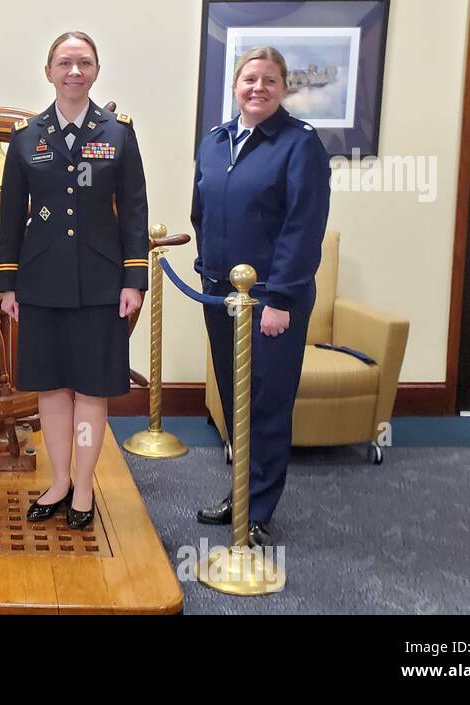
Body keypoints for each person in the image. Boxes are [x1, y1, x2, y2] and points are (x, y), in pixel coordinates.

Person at [0, 32, 149, 530]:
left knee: (90, 390)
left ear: (96, 70)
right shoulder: (26, 136)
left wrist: (134, 278)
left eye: (84, 62)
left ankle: (84, 487)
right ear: (49, 71)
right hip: (41, 283)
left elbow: (133, 211)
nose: (74, 71)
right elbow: (9, 216)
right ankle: (59, 480)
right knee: (51, 390)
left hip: (101, 284)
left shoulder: (119, 133)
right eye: (65, 62)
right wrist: (8, 283)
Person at [191, 47, 331, 547]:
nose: (258, 87)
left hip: (272, 300)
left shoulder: (300, 145)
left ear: (284, 88)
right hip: (220, 296)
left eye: (269, 80)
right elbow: (200, 211)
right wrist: (207, 271)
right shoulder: (215, 141)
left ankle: (259, 508)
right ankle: (240, 494)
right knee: (235, 399)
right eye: (250, 78)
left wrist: (282, 299)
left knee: (267, 404)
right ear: (235, 85)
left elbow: (303, 227)